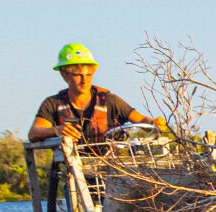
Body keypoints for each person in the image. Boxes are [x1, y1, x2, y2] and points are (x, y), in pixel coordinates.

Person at [27, 43, 166, 144]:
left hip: (111, 171)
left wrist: (154, 123)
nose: (84, 80)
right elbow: (34, 133)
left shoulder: (110, 100)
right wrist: (58, 130)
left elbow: (142, 120)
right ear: (64, 75)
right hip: (71, 172)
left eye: (89, 75)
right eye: (78, 75)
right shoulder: (53, 104)